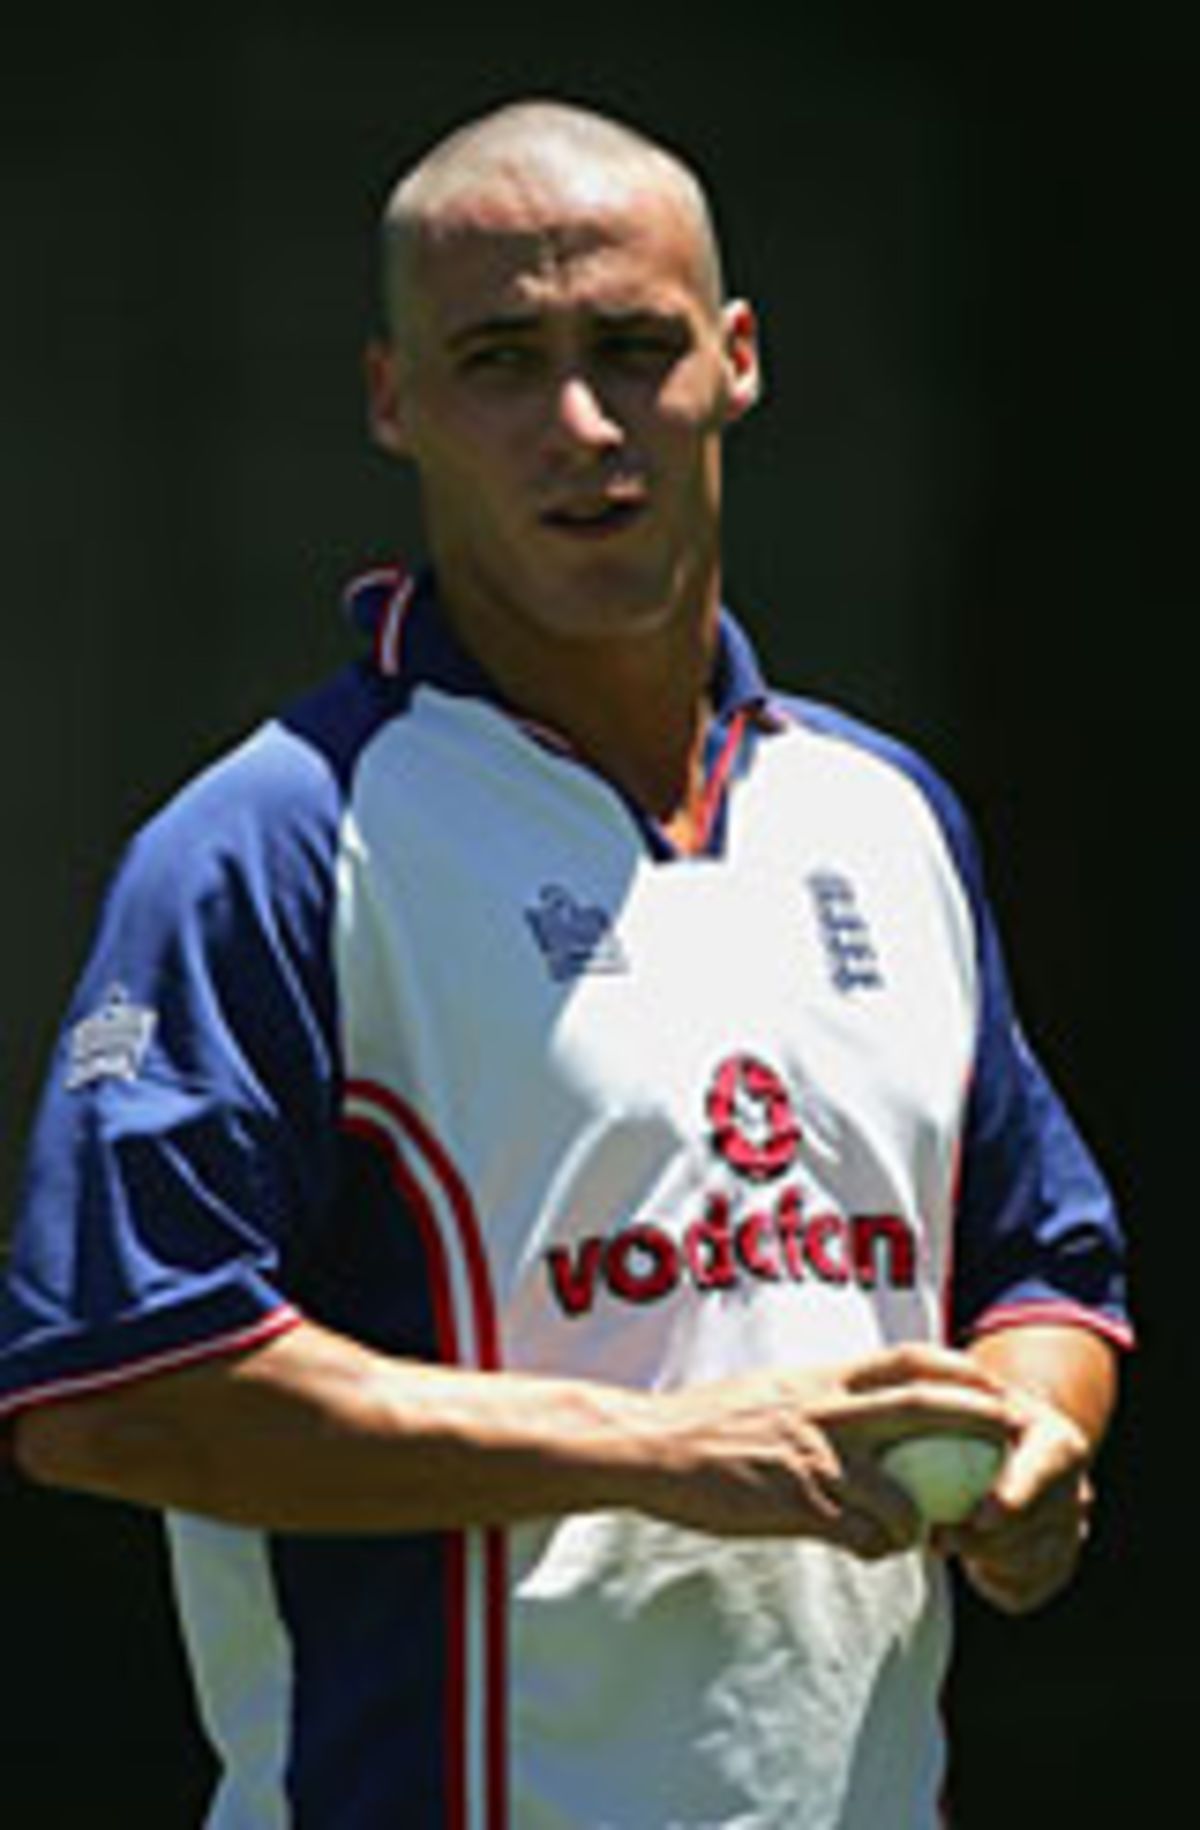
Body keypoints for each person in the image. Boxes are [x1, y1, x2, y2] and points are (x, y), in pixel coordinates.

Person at [0, 99, 1132, 1828]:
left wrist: (1038, 1441)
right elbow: (111, 1387)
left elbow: (1044, 1263)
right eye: (502, 361)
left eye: (632, 347)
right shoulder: (273, 842)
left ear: (737, 360)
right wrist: (669, 1455)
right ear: (394, 400)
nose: (583, 423)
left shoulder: (884, 815)